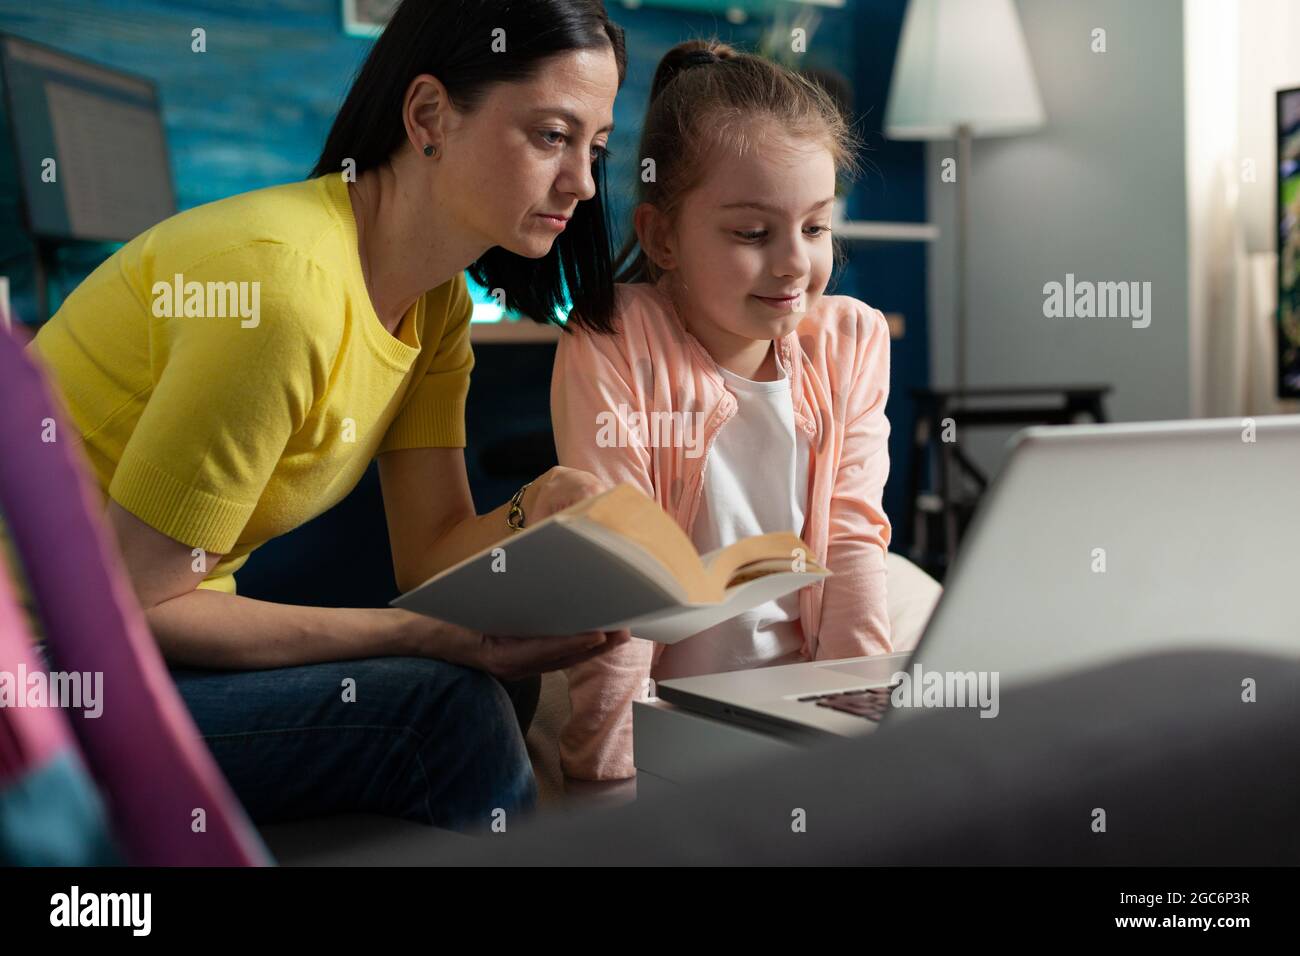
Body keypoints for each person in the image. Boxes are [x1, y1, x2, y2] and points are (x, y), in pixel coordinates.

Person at [26, 0, 632, 831]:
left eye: (594, 147)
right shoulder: (280, 293)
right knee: (445, 716)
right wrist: (419, 635)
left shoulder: (436, 305)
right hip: (40, 669)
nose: (585, 182)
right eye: (552, 136)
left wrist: (542, 509)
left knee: (501, 675)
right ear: (429, 116)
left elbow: (432, 558)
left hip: (119, 647)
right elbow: (140, 605)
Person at [551, 39, 892, 782]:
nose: (794, 263)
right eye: (751, 233)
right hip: (668, 716)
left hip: (796, 706)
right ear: (662, 236)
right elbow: (619, 572)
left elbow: (853, 543)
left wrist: (860, 738)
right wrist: (608, 780)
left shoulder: (851, 338)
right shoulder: (613, 338)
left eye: (815, 227)